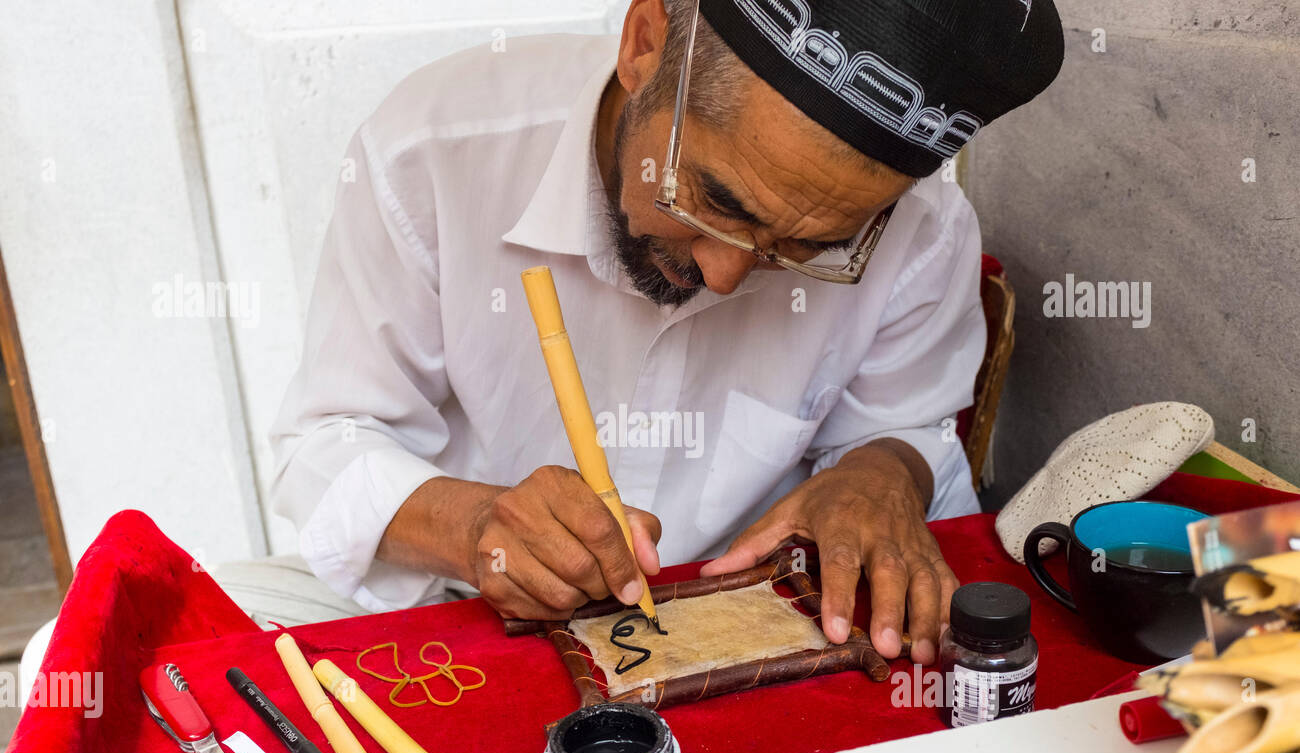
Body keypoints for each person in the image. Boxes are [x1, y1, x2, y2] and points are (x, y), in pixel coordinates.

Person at [270, 0, 1065, 665]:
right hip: (470, 611)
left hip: (755, 627)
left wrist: (884, 470)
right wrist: (478, 526)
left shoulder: (921, 234)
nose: (722, 277)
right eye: (716, 200)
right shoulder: (435, 151)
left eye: (804, 248)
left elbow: (907, 430)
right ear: (644, 42)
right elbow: (328, 441)